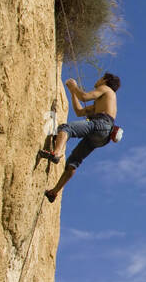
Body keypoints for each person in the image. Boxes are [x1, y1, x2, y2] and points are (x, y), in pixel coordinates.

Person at [40, 72, 120, 202]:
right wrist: (73, 92)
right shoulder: (103, 102)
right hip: (103, 136)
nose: (98, 80)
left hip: (101, 124)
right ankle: (53, 192)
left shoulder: (106, 89)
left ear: (105, 80)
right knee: (74, 161)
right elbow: (79, 112)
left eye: (100, 78)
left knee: (66, 128)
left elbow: (84, 96)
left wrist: (74, 87)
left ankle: (56, 153)